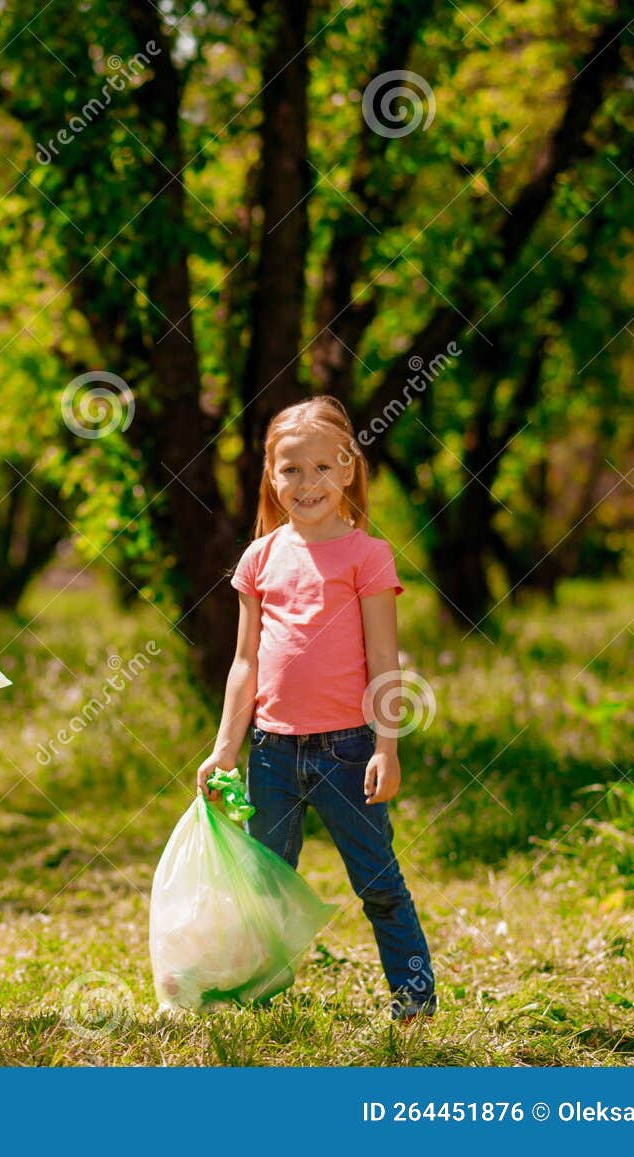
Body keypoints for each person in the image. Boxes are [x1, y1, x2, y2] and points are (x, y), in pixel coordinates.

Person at [197, 396, 437, 1022]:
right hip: (271, 754)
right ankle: (261, 1001)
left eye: (323, 469)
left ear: (349, 470)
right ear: (271, 477)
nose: (307, 485)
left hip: (349, 751)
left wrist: (387, 747)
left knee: (379, 884)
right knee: (267, 887)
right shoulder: (260, 557)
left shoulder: (367, 556)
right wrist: (226, 746)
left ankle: (414, 1002)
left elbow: (385, 661)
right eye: (290, 470)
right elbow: (245, 661)